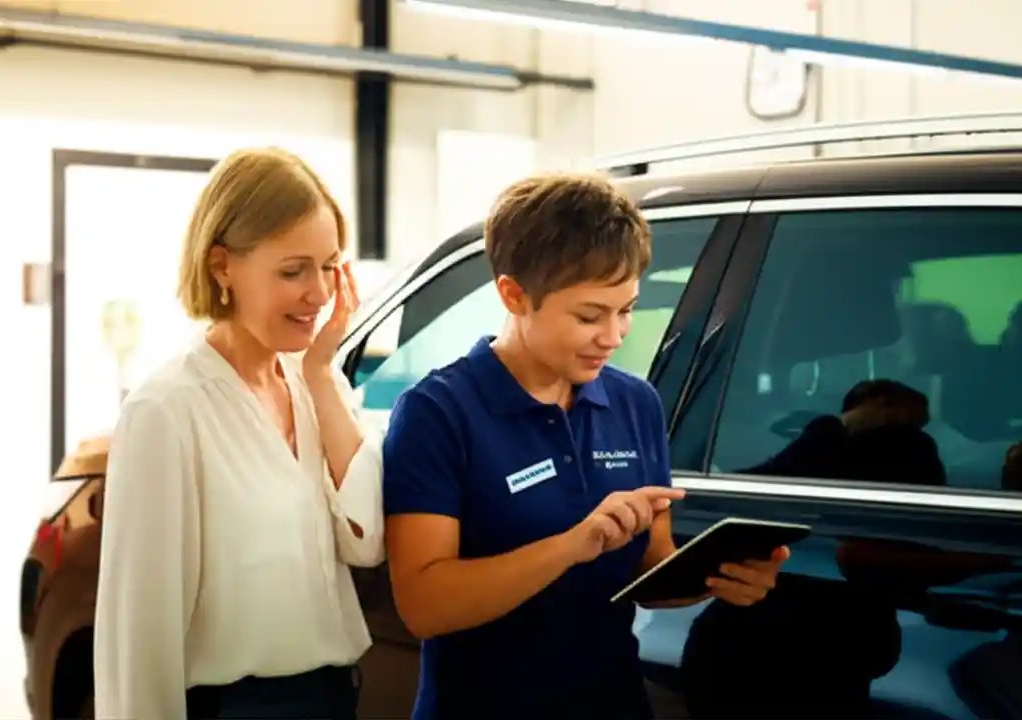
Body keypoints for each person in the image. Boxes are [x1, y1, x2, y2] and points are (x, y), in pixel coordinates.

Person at [381, 172, 790, 720]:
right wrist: (573, 545)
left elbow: (650, 569)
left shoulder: (636, 403)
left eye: (627, 310)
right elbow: (425, 605)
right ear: (513, 294)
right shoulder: (438, 412)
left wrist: (714, 580)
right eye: (589, 315)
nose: (615, 335)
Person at [93, 147, 385, 720]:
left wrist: (324, 374)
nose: (321, 293)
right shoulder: (168, 410)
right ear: (222, 266)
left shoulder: (312, 382)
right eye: (293, 271)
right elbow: (140, 636)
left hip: (331, 698)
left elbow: (365, 540)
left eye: (329, 266)